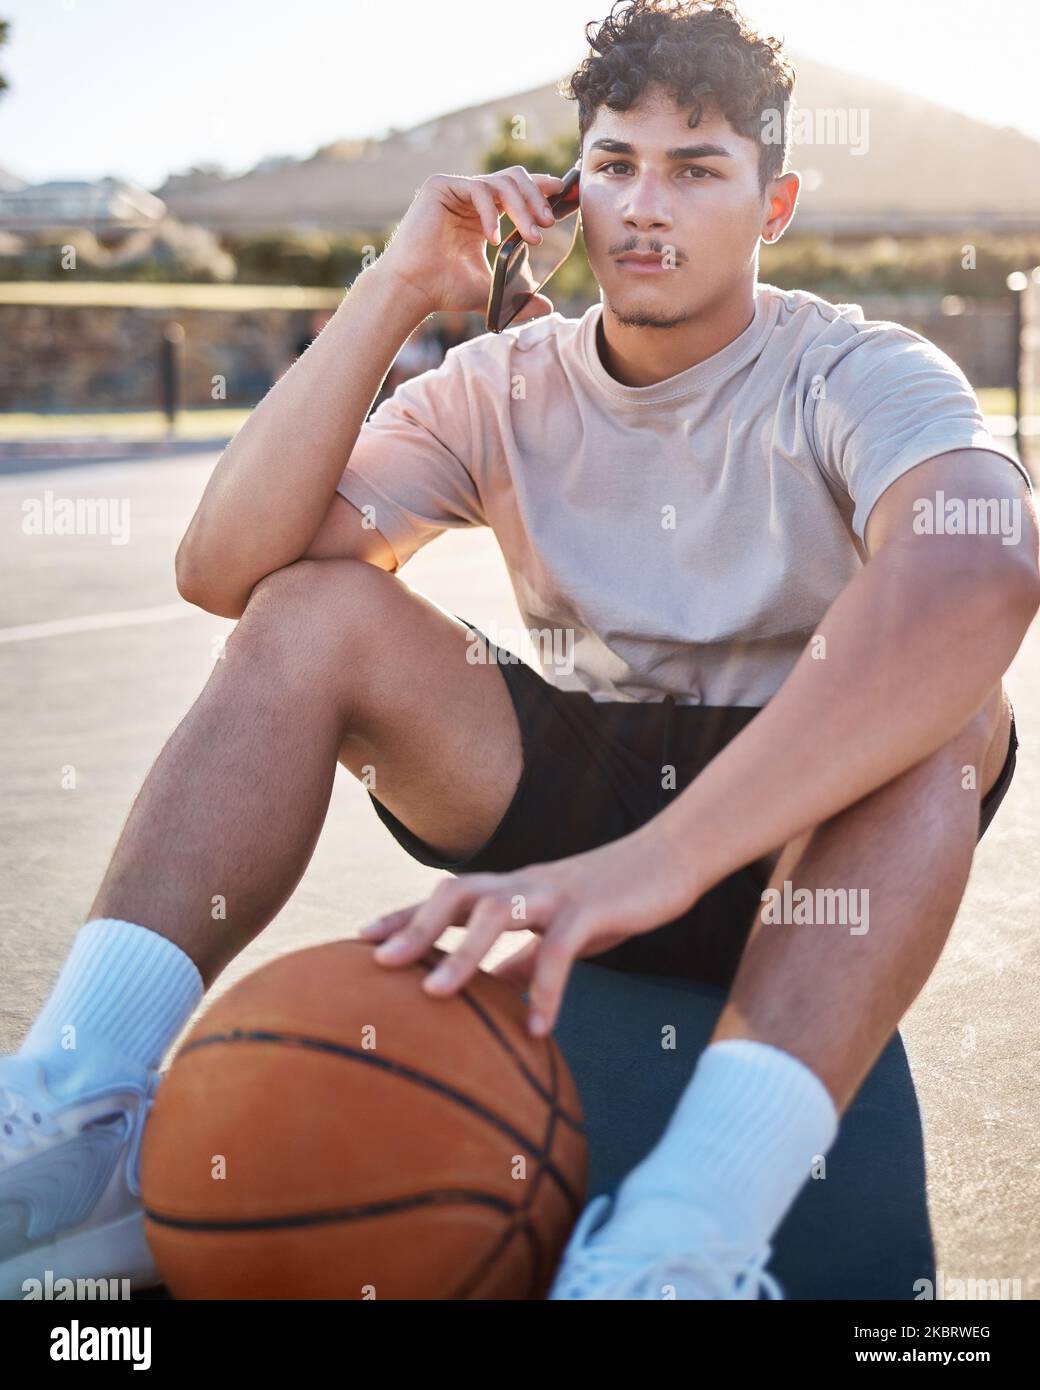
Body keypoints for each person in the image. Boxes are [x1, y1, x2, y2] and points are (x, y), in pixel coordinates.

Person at [2, 0, 1037, 1302]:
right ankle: (76, 1107)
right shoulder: (504, 380)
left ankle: (683, 1238)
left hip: (807, 827)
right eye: (614, 165)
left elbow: (987, 565)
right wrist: (393, 289)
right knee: (312, 606)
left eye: (697, 169)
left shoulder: (857, 369)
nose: (643, 207)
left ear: (773, 207)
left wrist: (654, 862)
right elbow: (224, 568)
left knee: (959, 707)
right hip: (580, 777)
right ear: (571, 184)